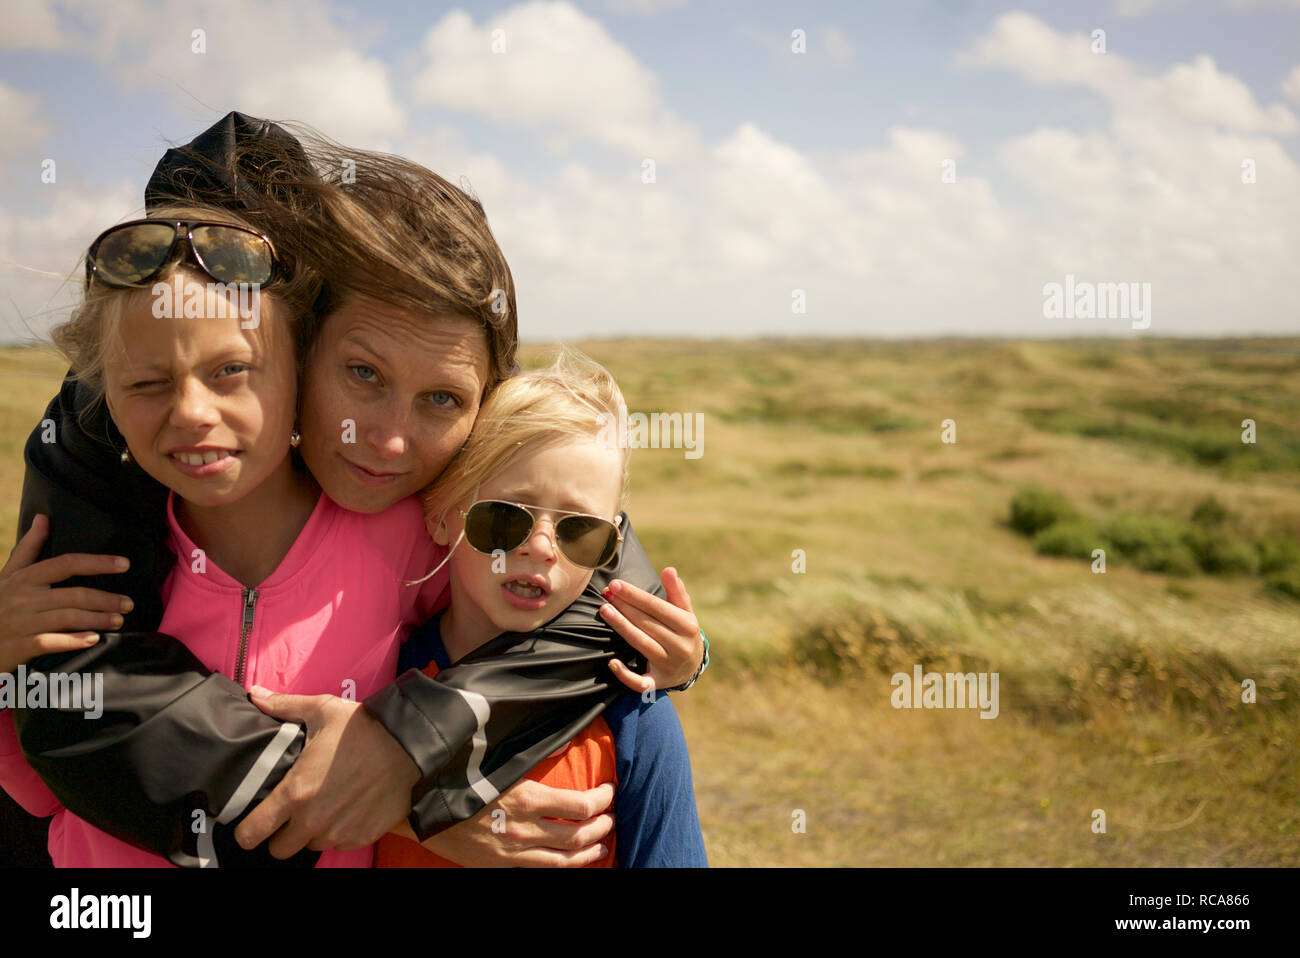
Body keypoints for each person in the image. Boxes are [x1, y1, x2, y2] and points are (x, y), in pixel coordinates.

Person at [0, 113, 707, 866]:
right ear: (303, 350)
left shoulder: (429, 539)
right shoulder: (103, 461)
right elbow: (71, 733)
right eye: (362, 375)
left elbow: (571, 576)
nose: (390, 441)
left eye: (442, 400)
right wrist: (407, 800)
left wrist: (675, 653)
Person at [377, 349, 707, 867]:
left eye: (579, 530)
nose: (541, 546)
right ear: (441, 515)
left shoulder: (632, 713)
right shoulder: (382, 675)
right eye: (505, 520)